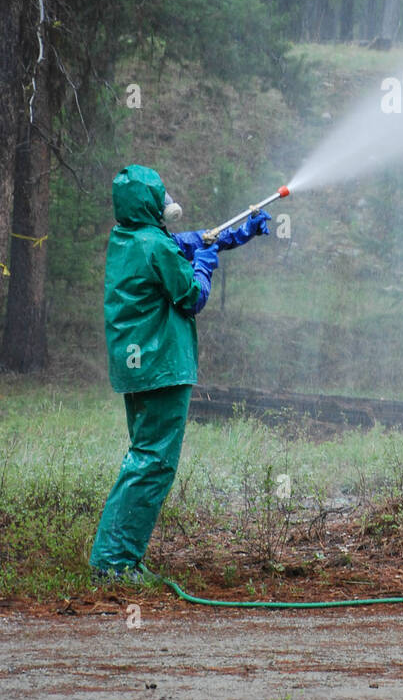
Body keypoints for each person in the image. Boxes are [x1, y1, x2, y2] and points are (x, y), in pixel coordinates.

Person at [90, 164, 269, 584]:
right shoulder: (155, 245)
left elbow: (184, 243)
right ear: (151, 202)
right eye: (162, 195)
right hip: (161, 369)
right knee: (152, 462)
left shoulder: (129, 238)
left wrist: (232, 235)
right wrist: (205, 263)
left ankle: (117, 558)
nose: (168, 201)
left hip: (140, 370)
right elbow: (192, 295)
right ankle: (113, 564)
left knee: (143, 457)